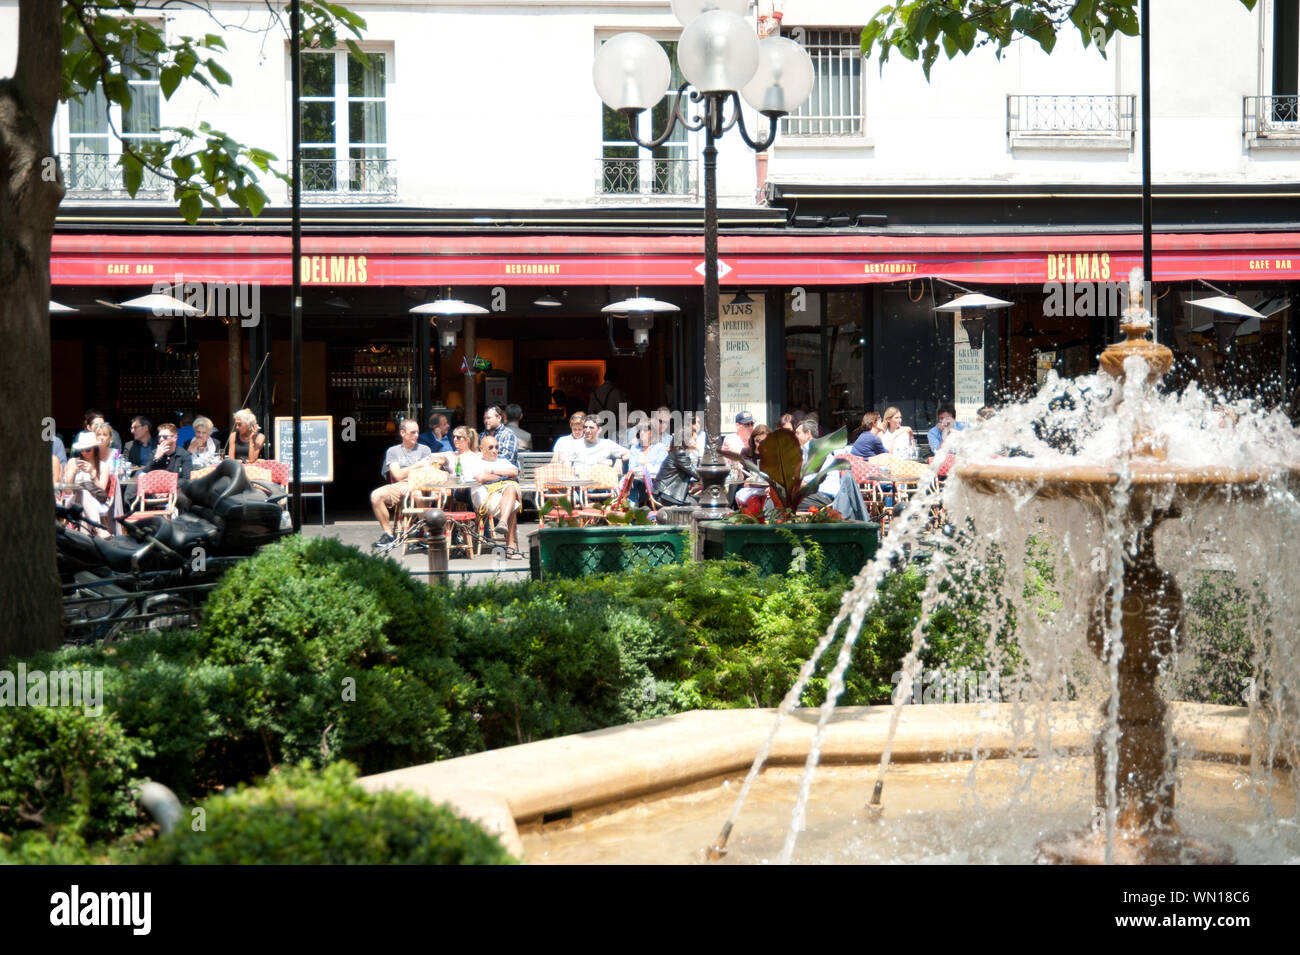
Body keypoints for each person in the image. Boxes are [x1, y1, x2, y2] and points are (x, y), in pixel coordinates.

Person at [369, 419, 434, 548]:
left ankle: (426, 534)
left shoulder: (424, 449)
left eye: (417, 432)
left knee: (417, 493)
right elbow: (397, 475)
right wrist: (418, 465)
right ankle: (388, 534)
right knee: (376, 495)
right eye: (412, 432)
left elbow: (426, 474)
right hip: (400, 485)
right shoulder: (393, 451)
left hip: (419, 484)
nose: (416, 435)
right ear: (402, 433)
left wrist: (411, 484)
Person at [471, 435, 522, 553]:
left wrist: (492, 471)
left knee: (511, 486)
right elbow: (481, 478)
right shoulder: (476, 462)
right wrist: (504, 476)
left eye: (496, 447)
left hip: (504, 494)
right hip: (485, 497)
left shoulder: (502, 461)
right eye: (490, 447)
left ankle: (503, 522)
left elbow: (514, 472)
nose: (495, 450)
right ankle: (510, 546)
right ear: (481, 448)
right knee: (512, 503)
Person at [63, 432, 113, 536]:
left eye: (88, 449)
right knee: (83, 492)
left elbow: (102, 490)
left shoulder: (103, 466)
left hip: (97, 501)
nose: (84, 452)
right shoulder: (73, 462)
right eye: (82, 449)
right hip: (74, 501)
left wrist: (92, 473)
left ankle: (85, 539)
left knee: (85, 498)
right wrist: (72, 473)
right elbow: (67, 490)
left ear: (94, 448)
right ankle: (98, 528)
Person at [627, 422, 668, 506]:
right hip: (637, 482)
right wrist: (645, 468)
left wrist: (643, 469)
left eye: (645, 430)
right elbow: (631, 468)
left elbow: (660, 468)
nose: (641, 433)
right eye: (640, 430)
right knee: (631, 484)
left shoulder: (660, 447)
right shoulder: (634, 448)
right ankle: (631, 511)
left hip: (655, 483)